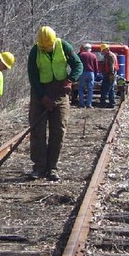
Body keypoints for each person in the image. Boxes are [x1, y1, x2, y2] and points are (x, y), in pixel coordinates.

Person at [27, 25, 83, 182]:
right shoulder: (35, 51)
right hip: (40, 91)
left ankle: (52, 167)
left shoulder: (64, 46)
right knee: (37, 130)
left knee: (58, 130)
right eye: (43, 46)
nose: (47, 48)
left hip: (61, 90)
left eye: (49, 46)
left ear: (54, 41)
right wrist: (42, 96)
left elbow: (78, 65)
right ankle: (39, 167)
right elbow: (32, 76)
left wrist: (70, 80)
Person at [77, 43, 99, 108]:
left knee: (81, 89)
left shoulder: (81, 55)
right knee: (90, 89)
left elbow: (77, 63)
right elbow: (96, 67)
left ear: (84, 49)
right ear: (90, 49)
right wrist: (95, 74)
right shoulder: (93, 56)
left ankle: (81, 104)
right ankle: (89, 104)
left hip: (82, 73)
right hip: (91, 73)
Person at [99, 43, 119, 108]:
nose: (102, 52)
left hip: (109, 74)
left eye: (103, 50)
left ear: (107, 49)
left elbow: (111, 66)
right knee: (111, 90)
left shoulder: (110, 56)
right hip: (108, 74)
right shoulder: (107, 55)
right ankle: (112, 104)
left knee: (105, 89)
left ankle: (103, 103)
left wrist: (111, 74)